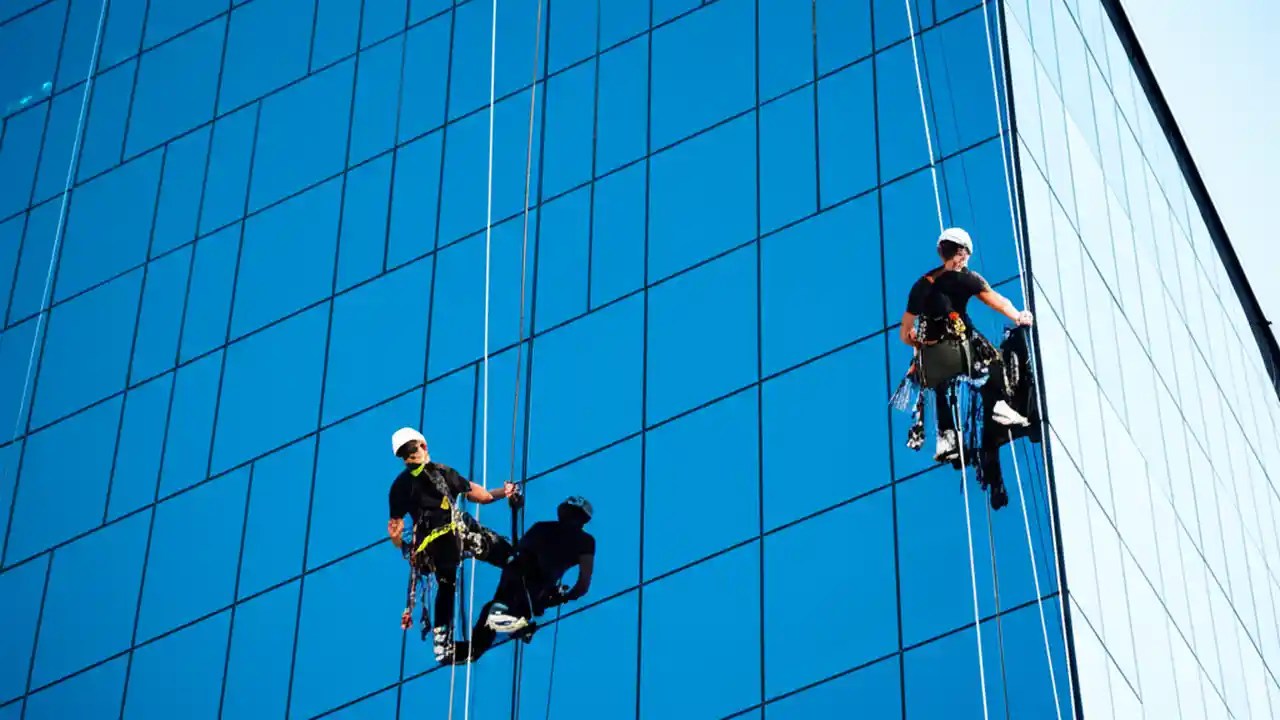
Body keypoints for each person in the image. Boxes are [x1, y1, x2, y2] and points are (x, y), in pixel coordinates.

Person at [897, 228, 1033, 507]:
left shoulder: (921, 286)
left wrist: (916, 342)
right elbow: (998, 302)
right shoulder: (966, 278)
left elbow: (905, 331)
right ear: (961, 254)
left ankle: (948, 438)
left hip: (932, 358)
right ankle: (997, 405)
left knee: (943, 386)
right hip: (960, 348)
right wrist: (1019, 316)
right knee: (990, 360)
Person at [386, 427, 521, 662]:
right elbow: (483, 496)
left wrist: (401, 543)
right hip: (454, 535)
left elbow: (396, 535)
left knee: (446, 583)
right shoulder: (441, 472)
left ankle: (442, 641)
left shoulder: (399, 486)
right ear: (424, 446)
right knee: (505, 556)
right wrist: (506, 492)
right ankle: (514, 591)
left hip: (431, 549)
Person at [449, 496, 596, 665]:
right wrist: (564, 597)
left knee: (495, 608)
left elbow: (517, 550)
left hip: (516, 573)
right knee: (497, 611)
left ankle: (482, 644)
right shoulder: (585, 541)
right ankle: (512, 628)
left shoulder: (541, 527)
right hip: (536, 585)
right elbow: (584, 583)